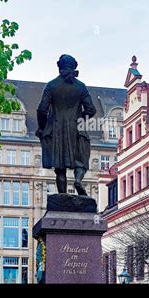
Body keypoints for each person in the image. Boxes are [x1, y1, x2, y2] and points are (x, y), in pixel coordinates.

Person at [36, 55, 96, 196]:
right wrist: (79, 119)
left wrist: (42, 127)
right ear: (73, 67)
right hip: (76, 129)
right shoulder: (80, 86)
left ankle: (62, 196)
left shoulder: (51, 86)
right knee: (81, 160)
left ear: (59, 67)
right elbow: (91, 110)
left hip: (56, 130)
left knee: (60, 167)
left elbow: (42, 110)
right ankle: (78, 181)